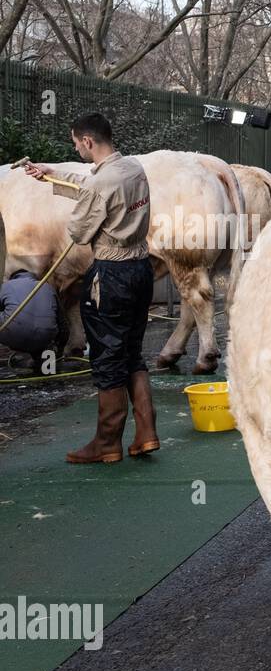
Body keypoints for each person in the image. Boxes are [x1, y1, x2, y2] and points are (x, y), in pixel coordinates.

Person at [24, 113, 160, 463]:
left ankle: (107, 442)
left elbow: (80, 233)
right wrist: (50, 174)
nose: (74, 147)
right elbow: (95, 183)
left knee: (107, 356)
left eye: (75, 142)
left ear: (87, 142)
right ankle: (146, 433)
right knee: (131, 350)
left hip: (111, 275)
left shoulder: (101, 184)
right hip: (141, 269)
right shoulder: (132, 169)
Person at [0, 268, 66, 371]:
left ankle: (24, 358)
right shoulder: (47, 287)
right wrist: (60, 350)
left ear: (13, 278)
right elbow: (62, 323)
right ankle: (46, 365)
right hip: (44, 337)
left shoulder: (5, 286)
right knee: (45, 339)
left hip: (14, 335)